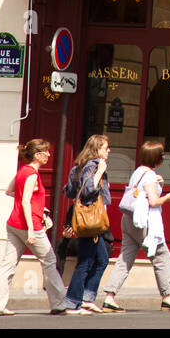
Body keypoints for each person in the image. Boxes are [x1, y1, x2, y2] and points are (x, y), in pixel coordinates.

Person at [0, 139, 68, 316]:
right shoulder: (32, 174)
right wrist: (32, 228)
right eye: (46, 152)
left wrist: (38, 206)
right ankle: (60, 303)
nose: (48, 155)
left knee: (7, 265)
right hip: (29, 225)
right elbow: (25, 201)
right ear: (38, 155)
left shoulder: (22, 171)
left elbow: (9, 191)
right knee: (49, 261)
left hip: (13, 224)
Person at [100, 140, 170, 311]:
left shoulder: (138, 172)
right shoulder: (150, 176)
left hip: (128, 220)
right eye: (162, 155)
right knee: (162, 257)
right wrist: (167, 197)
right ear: (156, 158)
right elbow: (153, 201)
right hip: (143, 222)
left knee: (125, 258)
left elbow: (142, 193)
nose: (163, 157)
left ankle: (109, 296)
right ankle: (167, 297)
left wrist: (160, 184)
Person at [62, 134, 113, 314]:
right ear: (97, 149)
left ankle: (86, 298)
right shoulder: (95, 166)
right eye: (106, 148)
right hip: (90, 220)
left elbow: (68, 192)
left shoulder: (78, 167)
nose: (108, 151)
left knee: (102, 259)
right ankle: (72, 301)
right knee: (85, 262)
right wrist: (100, 171)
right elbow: (88, 190)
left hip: (86, 220)